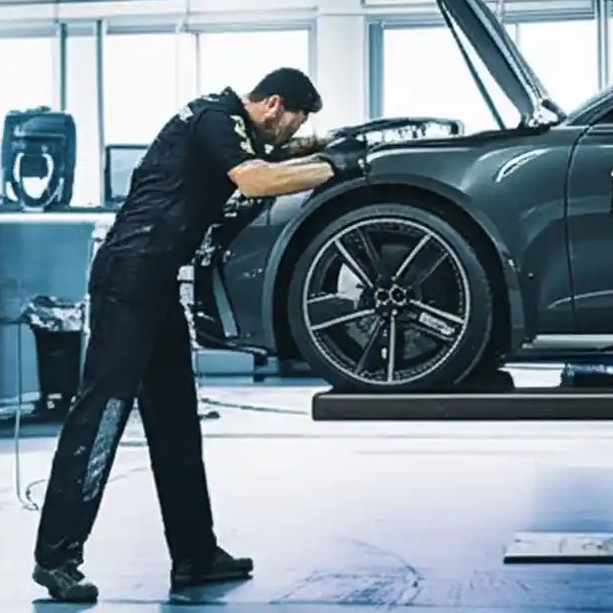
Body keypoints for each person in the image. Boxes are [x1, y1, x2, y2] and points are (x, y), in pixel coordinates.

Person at [31, 67, 368, 603]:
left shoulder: (229, 125)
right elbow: (256, 179)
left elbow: (276, 155)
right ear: (274, 104)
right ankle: (56, 558)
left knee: (176, 422)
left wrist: (330, 144)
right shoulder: (216, 118)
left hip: (155, 282)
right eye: (295, 121)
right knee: (102, 418)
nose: (292, 131)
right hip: (128, 279)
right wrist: (330, 168)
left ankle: (195, 556)